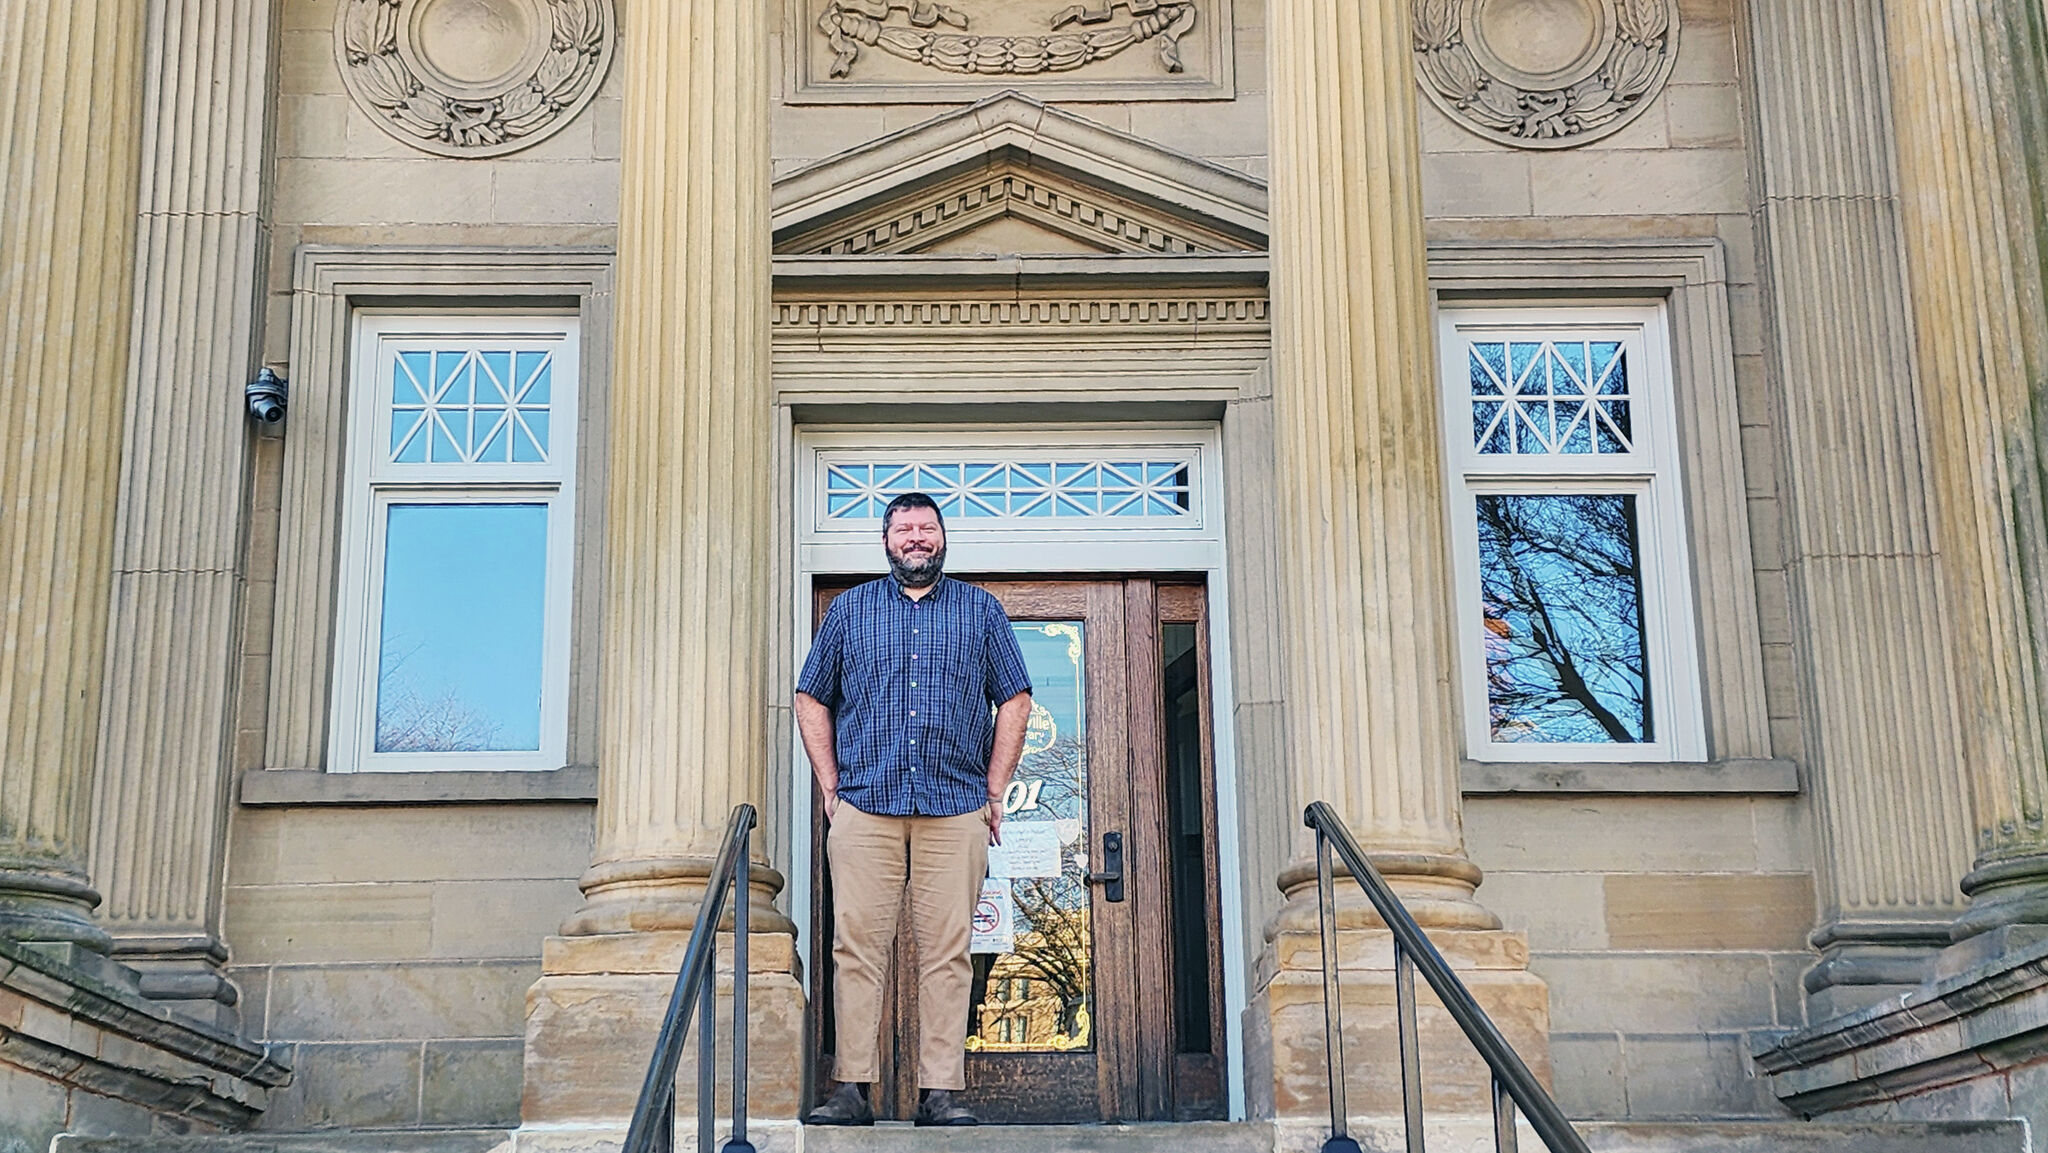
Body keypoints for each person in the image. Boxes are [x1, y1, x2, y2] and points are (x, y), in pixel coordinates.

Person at [795, 491, 1034, 1127]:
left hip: (955, 807)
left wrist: (992, 789)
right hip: (866, 806)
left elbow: (1015, 699)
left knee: (949, 953)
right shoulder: (849, 612)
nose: (917, 538)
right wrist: (830, 787)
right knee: (856, 950)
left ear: (942, 537)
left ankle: (941, 1093)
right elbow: (810, 698)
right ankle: (851, 1089)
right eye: (905, 529)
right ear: (887, 541)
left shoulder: (981, 612)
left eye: (927, 527)